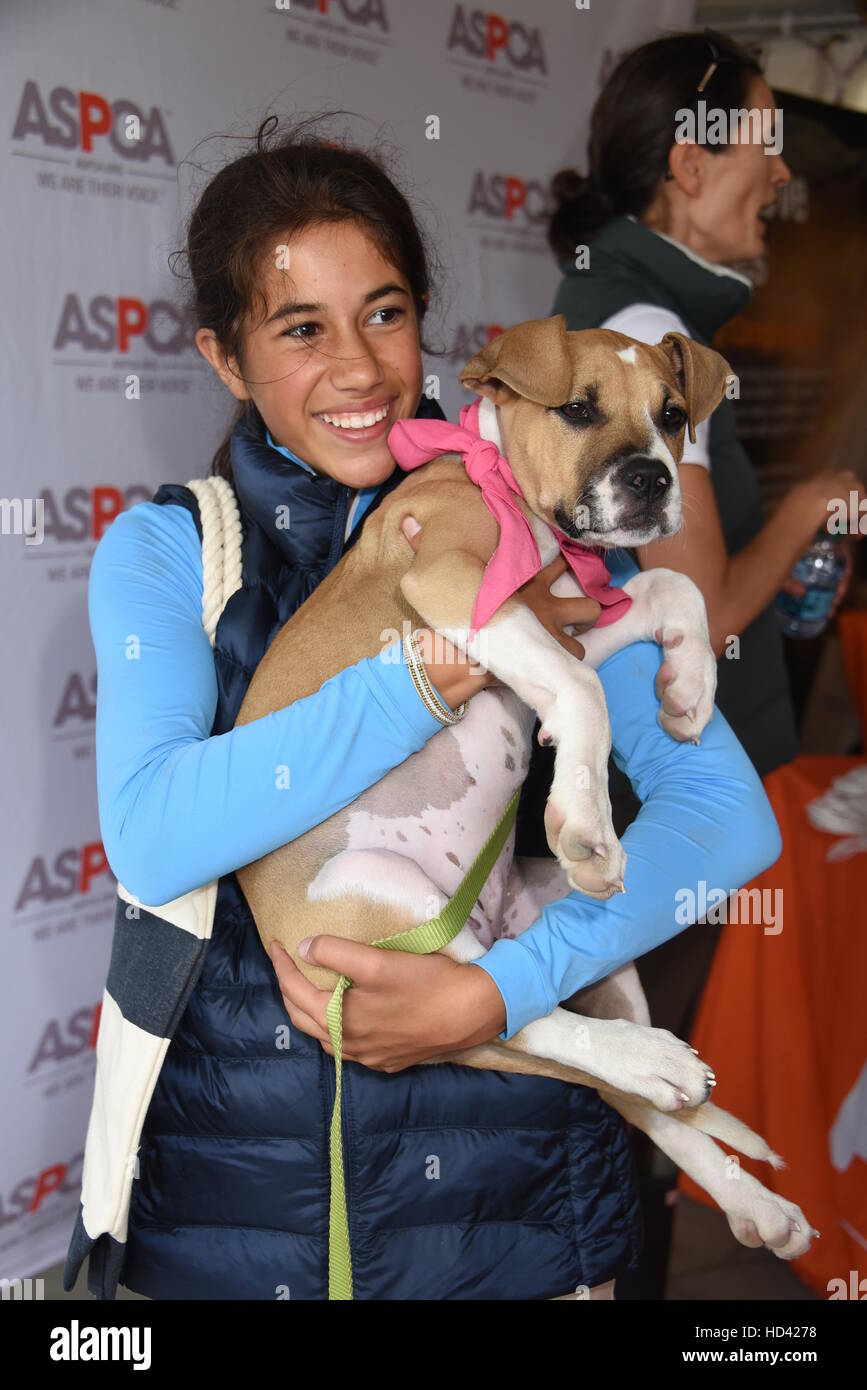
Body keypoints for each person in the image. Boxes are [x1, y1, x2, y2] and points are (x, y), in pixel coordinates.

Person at [68, 115, 783, 1302]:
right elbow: (153, 833)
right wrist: (423, 675)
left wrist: (493, 994)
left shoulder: (525, 519)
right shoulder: (172, 554)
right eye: (301, 330)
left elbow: (725, 823)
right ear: (225, 357)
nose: (357, 367)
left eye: (386, 314)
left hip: (516, 1214)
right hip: (240, 1224)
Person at [544, 28, 864, 1297]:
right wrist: (816, 503)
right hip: (652, 802)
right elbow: (704, 610)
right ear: (688, 163)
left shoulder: (652, 319)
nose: (784, 177)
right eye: (767, 144)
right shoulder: (639, 330)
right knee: (645, 1117)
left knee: (648, 1115)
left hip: (649, 792)